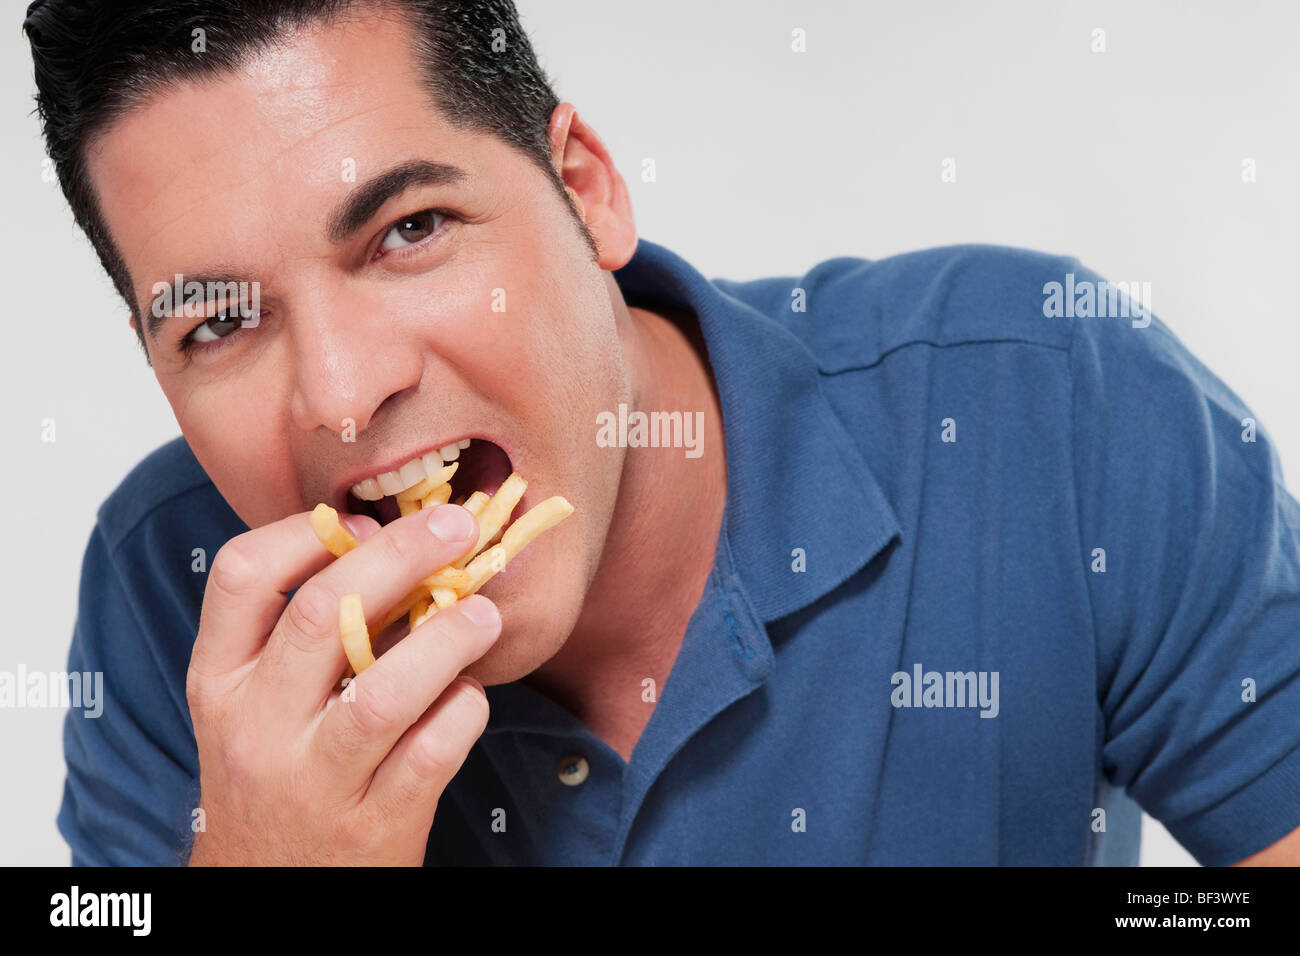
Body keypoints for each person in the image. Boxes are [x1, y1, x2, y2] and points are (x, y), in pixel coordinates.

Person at [25, 0, 1300, 866]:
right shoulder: (172, 595)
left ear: (585, 191)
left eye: (409, 230)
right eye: (217, 321)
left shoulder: (1046, 397)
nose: (343, 393)